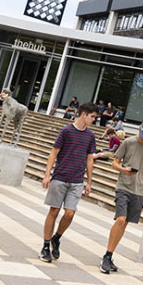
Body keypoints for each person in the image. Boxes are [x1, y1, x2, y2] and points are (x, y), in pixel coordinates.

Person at [40, 102, 98, 263]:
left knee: (70, 213)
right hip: (60, 177)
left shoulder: (90, 136)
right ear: (84, 114)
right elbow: (53, 153)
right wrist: (47, 175)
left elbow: (89, 160)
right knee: (54, 211)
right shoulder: (66, 131)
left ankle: (56, 238)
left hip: (77, 180)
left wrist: (89, 182)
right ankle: (45, 245)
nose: (94, 120)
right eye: (92, 117)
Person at [101, 119, 143, 274]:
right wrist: (123, 169)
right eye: (142, 134)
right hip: (124, 186)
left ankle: (110, 254)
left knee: (125, 224)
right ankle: (106, 256)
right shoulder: (128, 142)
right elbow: (114, 162)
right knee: (120, 219)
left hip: (139, 190)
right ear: (139, 128)